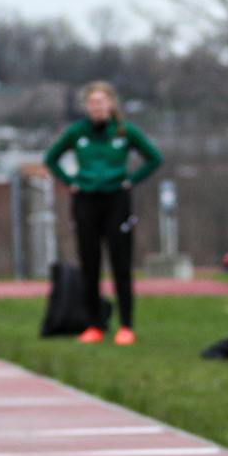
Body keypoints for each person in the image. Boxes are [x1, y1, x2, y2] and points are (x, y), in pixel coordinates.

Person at [43, 81, 163, 346]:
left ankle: (126, 326)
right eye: (92, 102)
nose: (97, 107)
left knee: (121, 264)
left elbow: (154, 158)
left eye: (101, 101)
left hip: (116, 200)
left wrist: (130, 180)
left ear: (111, 104)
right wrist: (70, 181)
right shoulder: (77, 133)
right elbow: (51, 159)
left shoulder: (124, 132)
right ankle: (94, 325)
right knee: (90, 265)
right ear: (86, 106)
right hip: (85, 200)